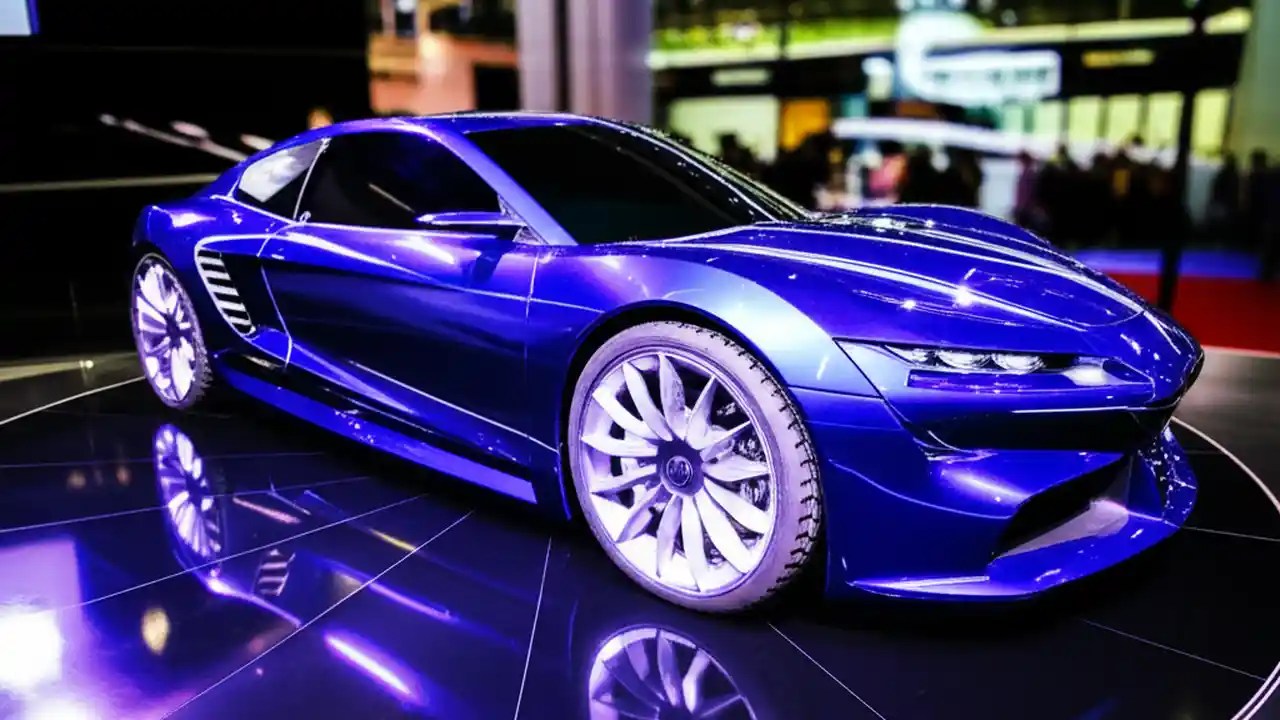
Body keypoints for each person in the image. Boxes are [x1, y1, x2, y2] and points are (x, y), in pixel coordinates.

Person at [1208, 152, 1241, 245]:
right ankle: (1223, 240)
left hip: (1222, 202)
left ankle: (1218, 239)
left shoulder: (1222, 174)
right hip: (1228, 203)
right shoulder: (1234, 175)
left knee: (1219, 223)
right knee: (1225, 223)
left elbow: (1215, 189)